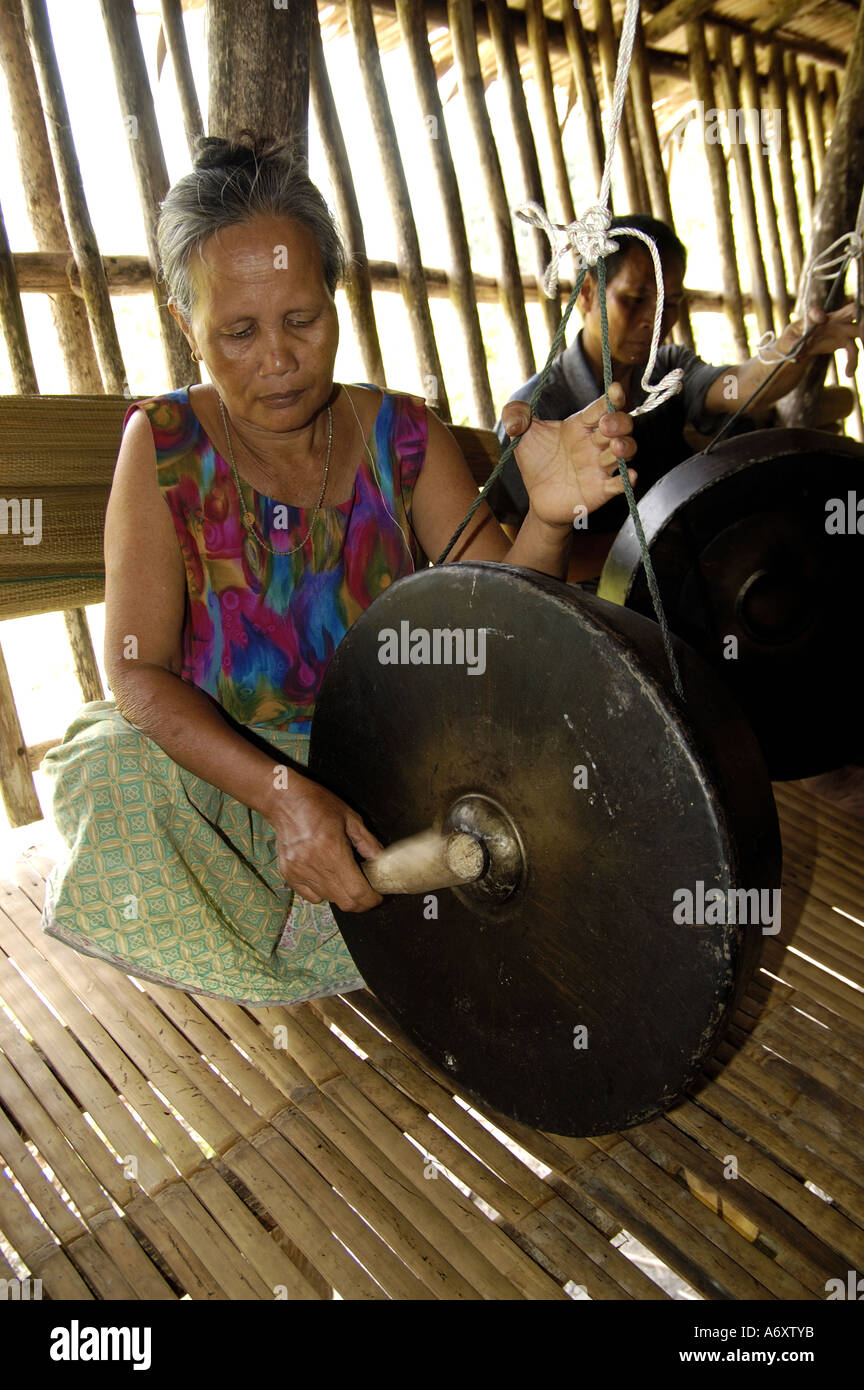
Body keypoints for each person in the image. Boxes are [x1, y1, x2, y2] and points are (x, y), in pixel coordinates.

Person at [40, 135, 637, 1007]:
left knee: (547, 777)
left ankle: (356, 914)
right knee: (111, 772)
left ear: (334, 298)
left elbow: (505, 627)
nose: (278, 359)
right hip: (231, 784)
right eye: (238, 332)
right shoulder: (164, 444)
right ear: (185, 326)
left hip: (383, 772)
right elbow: (134, 669)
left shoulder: (403, 434)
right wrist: (284, 796)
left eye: (302, 319)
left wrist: (547, 517)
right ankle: (305, 925)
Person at [488, 214, 863, 582]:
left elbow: (742, 386)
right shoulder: (540, 414)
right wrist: (654, 540)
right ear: (587, 294)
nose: (655, 320)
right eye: (635, 300)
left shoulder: (667, 372)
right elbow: (515, 568)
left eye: (670, 303)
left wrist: (795, 347)